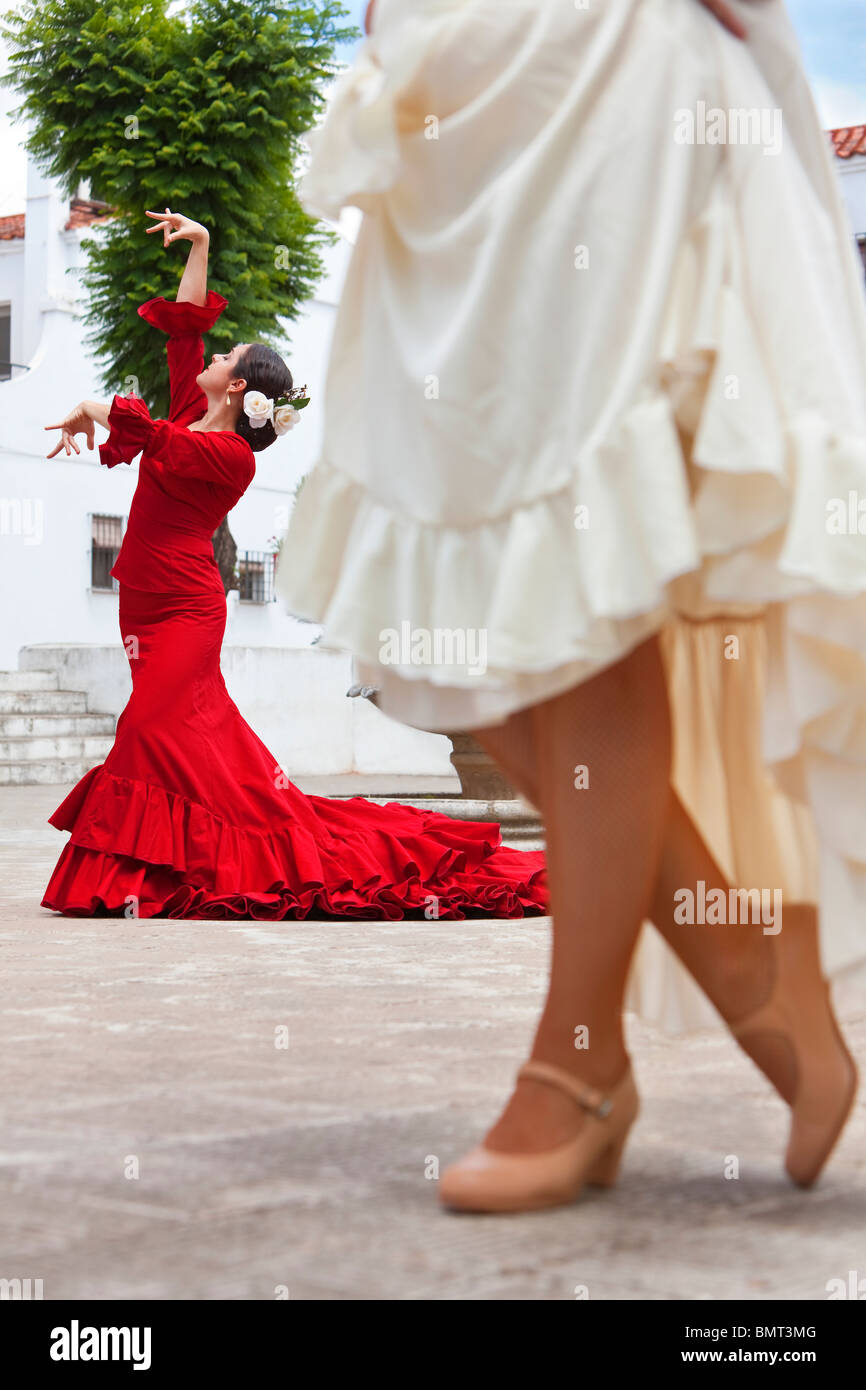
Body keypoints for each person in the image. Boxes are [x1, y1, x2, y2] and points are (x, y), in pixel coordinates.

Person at [276, 0, 866, 1211]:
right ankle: (754, 967)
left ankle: (579, 1063)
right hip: (448, 71)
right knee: (455, 593)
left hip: (597, 52)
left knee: (580, 543)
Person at [41, 209, 547, 923]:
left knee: (151, 728)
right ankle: (171, 862)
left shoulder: (231, 456)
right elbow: (186, 327)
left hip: (187, 608)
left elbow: (152, 441)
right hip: (142, 600)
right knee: (190, 739)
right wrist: (202, 246)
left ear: (241, 388)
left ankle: (140, 872)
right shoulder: (193, 404)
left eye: (228, 356)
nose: (214, 356)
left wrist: (89, 406)